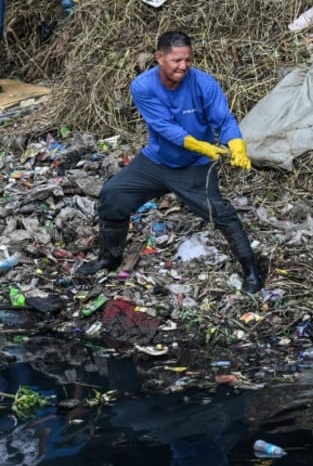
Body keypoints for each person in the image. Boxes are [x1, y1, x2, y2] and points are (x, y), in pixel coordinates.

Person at [76, 30, 263, 293]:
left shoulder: (204, 83)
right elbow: (165, 127)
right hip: (157, 162)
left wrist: (237, 144)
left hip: (195, 166)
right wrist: (204, 146)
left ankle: (252, 271)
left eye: (188, 59)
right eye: (176, 60)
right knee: (113, 194)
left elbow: (225, 119)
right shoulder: (143, 86)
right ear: (160, 57)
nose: (184, 66)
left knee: (221, 215)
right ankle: (110, 258)